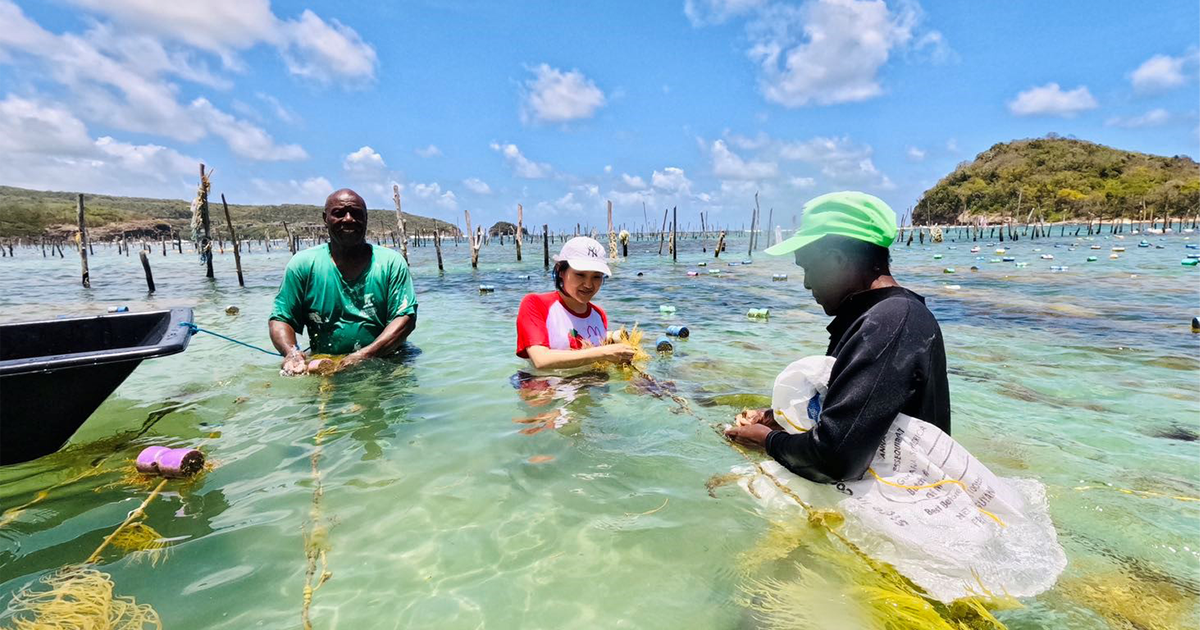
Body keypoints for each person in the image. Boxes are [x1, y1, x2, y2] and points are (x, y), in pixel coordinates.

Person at [725, 191, 950, 483]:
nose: (806, 283)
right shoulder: (875, 317)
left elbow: (835, 458)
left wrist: (767, 441)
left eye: (809, 268)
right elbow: (854, 413)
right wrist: (774, 417)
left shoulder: (891, 321)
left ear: (837, 260)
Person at [269, 188, 417, 375]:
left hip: (387, 361)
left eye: (356, 213)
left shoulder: (391, 262)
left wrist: (365, 355)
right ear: (325, 218)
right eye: (339, 213)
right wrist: (291, 353)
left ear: (366, 218)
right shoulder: (302, 265)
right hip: (327, 364)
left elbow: (405, 318)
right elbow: (281, 318)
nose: (348, 219)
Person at [515, 236, 635, 369]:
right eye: (580, 275)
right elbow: (541, 360)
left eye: (596, 276)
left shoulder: (599, 314)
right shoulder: (536, 304)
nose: (588, 285)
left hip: (589, 384)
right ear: (561, 271)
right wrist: (603, 352)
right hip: (545, 386)